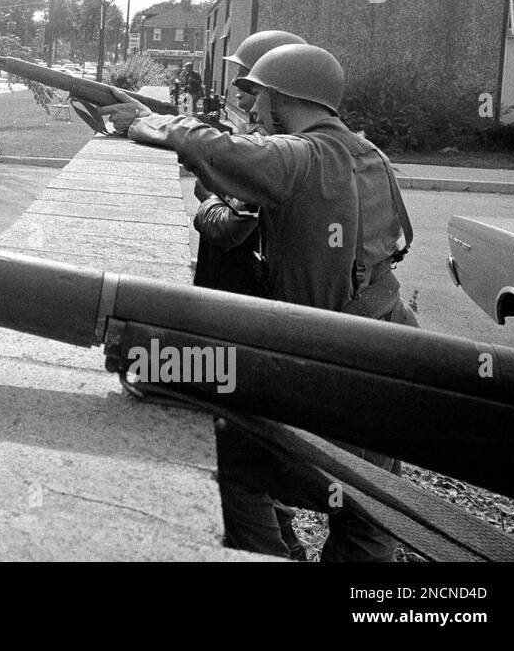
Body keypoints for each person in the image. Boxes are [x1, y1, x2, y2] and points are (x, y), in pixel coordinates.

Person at [102, 43, 415, 562]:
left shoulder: (302, 155)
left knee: (235, 468)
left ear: (279, 96)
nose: (253, 109)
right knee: (371, 507)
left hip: (330, 357)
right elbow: (397, 241)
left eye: (260, 96)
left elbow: (223, 153)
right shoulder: (371, 155)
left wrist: (145, 123)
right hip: (390, 348)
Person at [189, 29, 306, 560]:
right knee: (263, 447)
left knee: (241, 451)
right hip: (251, 312)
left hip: (251, 319)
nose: (241, 97)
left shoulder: (283, 152)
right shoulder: (281, 142)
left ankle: (273, 549)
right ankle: (283, 533)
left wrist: (209, 197)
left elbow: (235, 226)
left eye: (249, 85)